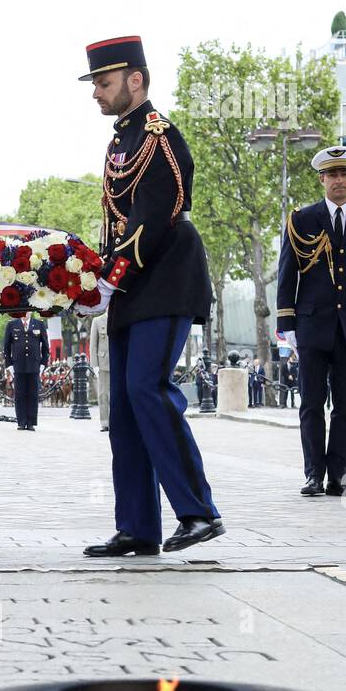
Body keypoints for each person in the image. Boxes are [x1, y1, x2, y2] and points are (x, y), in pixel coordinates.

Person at [78, 37, 223, 558]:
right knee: (124, 406)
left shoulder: (160, 137)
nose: (96, 92)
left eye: (104, 81)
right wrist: (92, 280)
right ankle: (138, 526)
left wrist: (112, 279)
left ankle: (198, 512)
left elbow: (153, 218)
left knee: (147, 388)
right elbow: (114, 222)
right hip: (132, 286)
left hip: (164, 278)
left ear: (135, 79)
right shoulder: (122, 141)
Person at [277, 144, 346, 497]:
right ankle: (313, 475)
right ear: (322, 179)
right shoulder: (302, 220)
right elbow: (287, 274)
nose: (339, 180)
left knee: (345, 409)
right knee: (310, 404)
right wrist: (287, 323)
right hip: (311, 326)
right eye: (332, 174)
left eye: (344, 174)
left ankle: (339, 476)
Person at [3, 313, 49, 430]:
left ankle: (31, 422)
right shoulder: (11, 325)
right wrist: (9, 365)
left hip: (34, 365)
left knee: (33, 394)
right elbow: (6, 347)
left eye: (28, 311)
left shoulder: (39, 324)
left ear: (31, 312)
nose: (25, 313)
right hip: (18, 365)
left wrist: (43, 364)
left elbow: (45, 346)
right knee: (20, 394)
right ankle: (21, 421)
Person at [90, 313, 110, 429]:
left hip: (118, 361)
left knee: (116, 394)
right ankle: (105, 422)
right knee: (103, 394)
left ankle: (115, 421)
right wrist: (95, 365)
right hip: (103, 363)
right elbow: (93, 345)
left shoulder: (119, 317)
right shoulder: (97, 321)